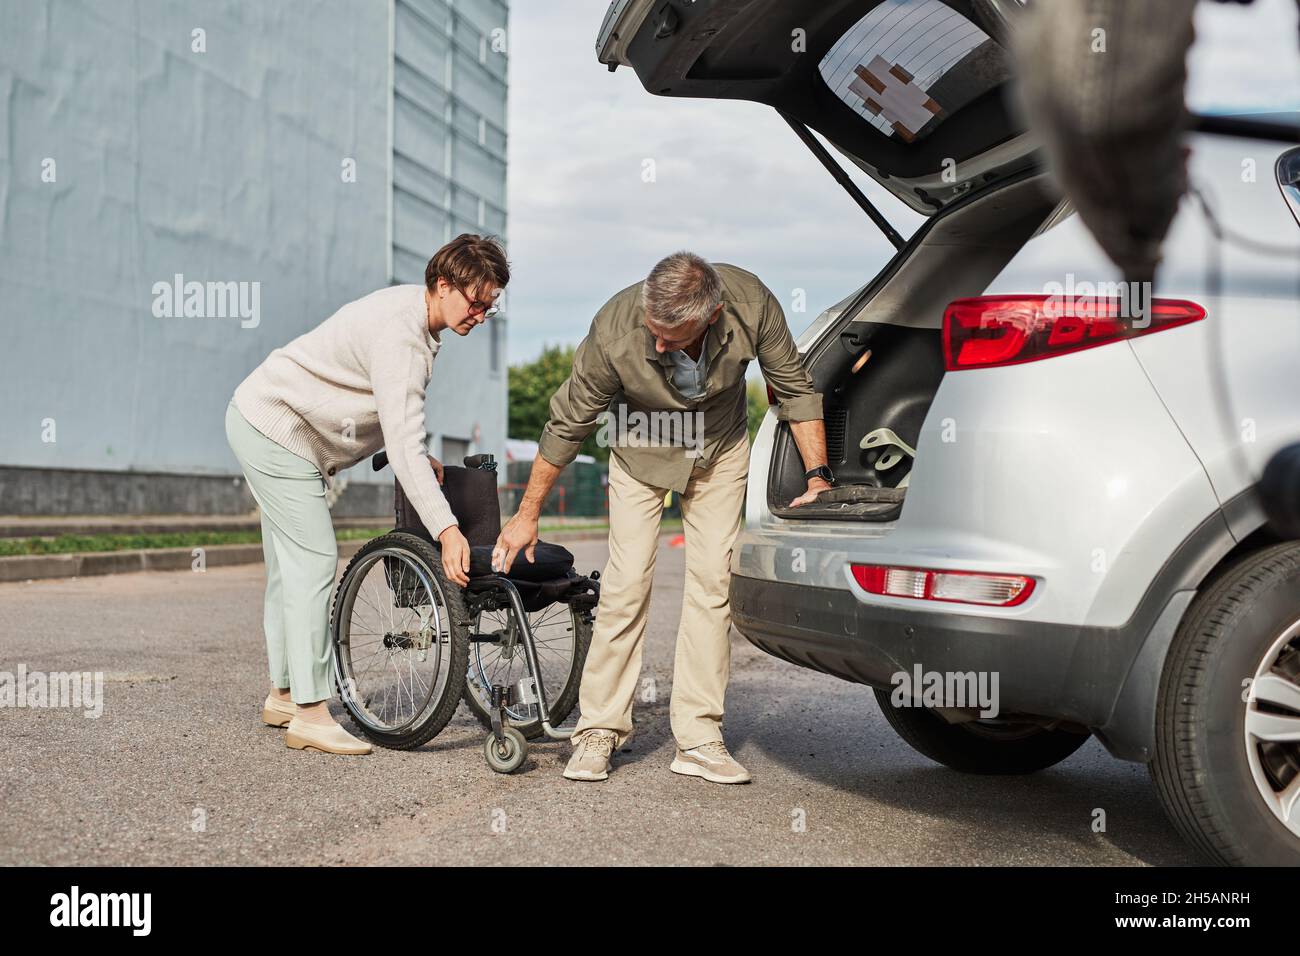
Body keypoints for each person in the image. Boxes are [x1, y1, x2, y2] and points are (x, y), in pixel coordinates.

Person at [493, 251, 834, 784]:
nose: (657, 344)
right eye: (652, 331)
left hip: (719, 449)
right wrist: (526, 513)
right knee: (627, 584)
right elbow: (569, 422)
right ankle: (598, 729)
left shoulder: (750, 303)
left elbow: (794, 389)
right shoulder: (614, 326)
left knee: (712, 583)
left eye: (671, 337)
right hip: (641, 448)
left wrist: (819, 478)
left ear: (711, 314)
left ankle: (698, 738)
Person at [225, 234, 509, 755]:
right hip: (275, 428)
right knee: (313, 561)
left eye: (490, 306)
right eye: (476, 300)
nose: (482, 313)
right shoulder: (403, 336)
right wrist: (448, 531)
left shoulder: (414, 319)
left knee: (289, 569)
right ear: (444, 285)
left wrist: (410, 450)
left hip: (262, 419)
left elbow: (384, 412)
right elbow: (400, 437)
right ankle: (311, 715)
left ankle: (285, 693)